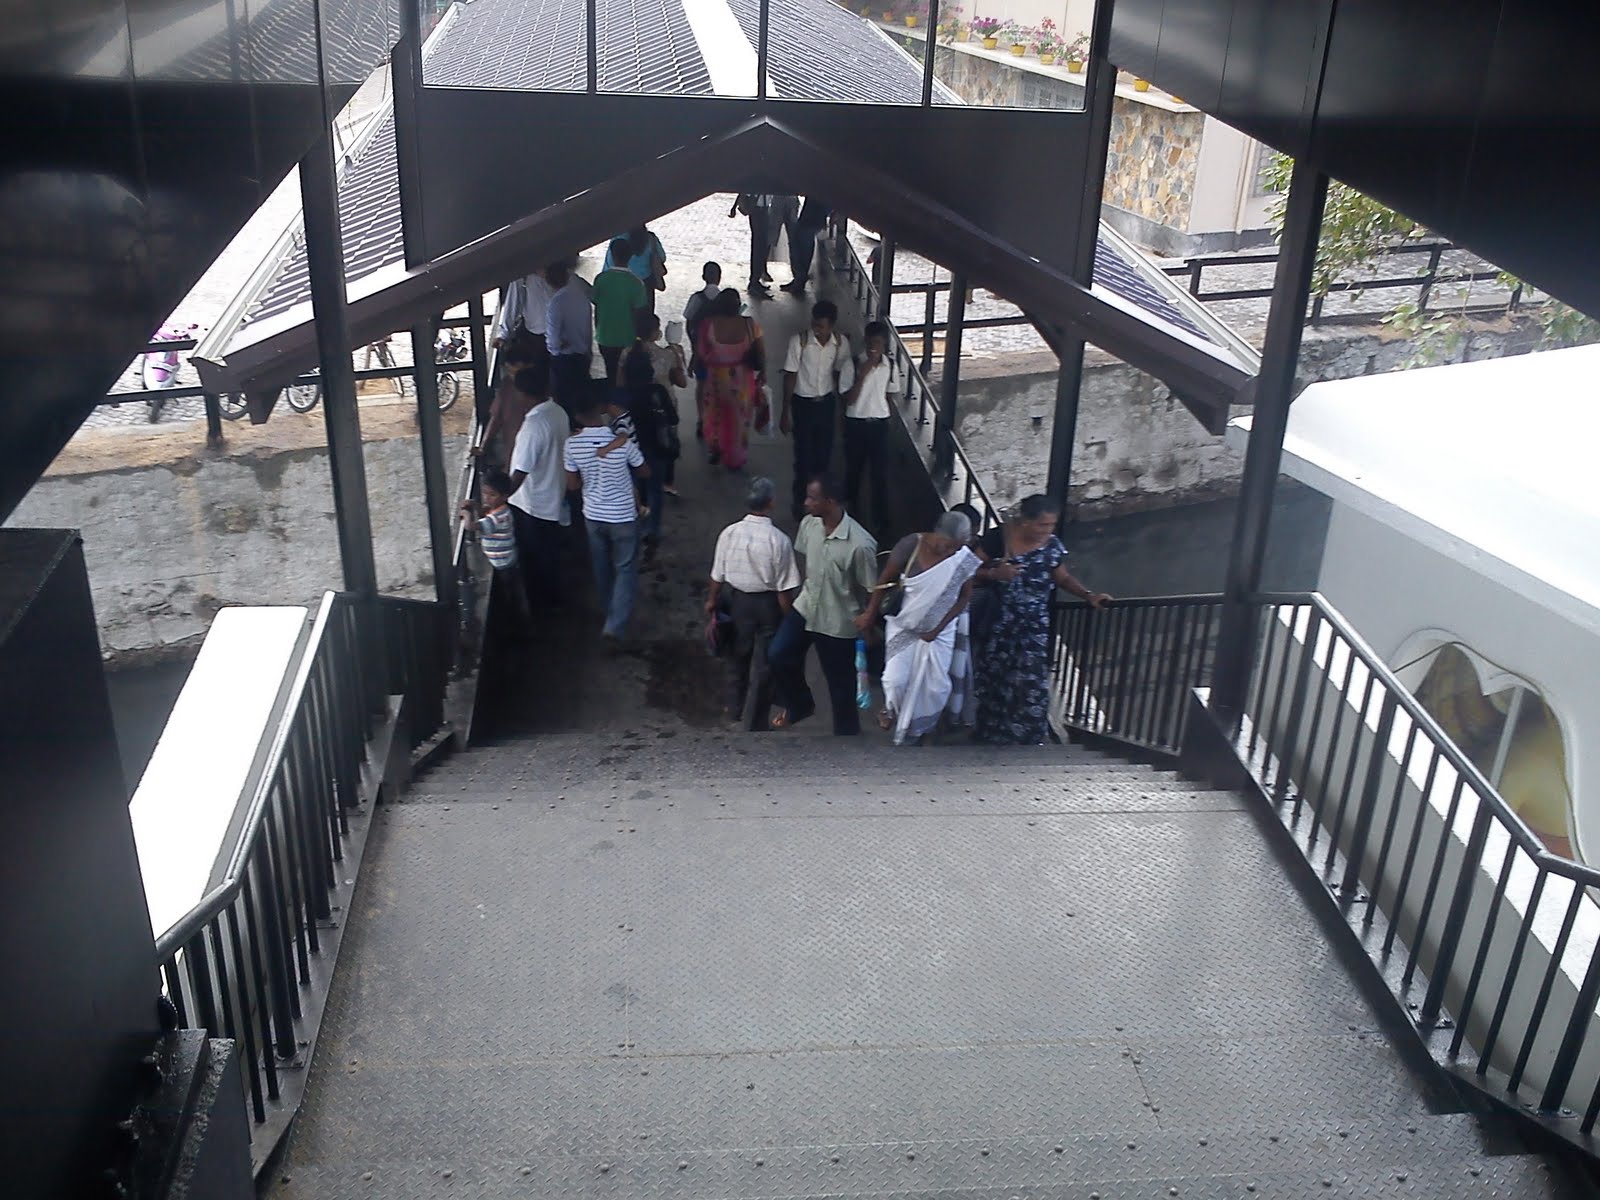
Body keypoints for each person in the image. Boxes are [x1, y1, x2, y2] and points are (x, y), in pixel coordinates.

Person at [972, 493, 1111, 744]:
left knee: (1032, 683)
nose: (1046, 530)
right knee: (995, 680)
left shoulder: (1051, 545)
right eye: (1042, 525)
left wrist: (1088, 595)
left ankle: (1028, 737)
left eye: (1051, 525)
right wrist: (995, 573)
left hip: (1034, 627)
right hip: (998, 625)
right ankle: (992, 735)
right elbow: (966, 571)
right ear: (1025, 521)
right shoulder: (997, 538)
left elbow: (1062, 578)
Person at [857, 511, 981, 745]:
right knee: (895, 680)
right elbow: (883, 581)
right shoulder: (910, 545)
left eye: (956, 548)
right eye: (948, 545)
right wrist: (869, 614)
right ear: (938, 533)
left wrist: (937, 628)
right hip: (905, 626)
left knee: (935, 688)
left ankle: (919, 727)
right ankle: (891, 709)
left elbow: (964, 598)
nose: (950, 552)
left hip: (939, 633)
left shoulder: (962, 558)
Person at [768, 474, 878, 735]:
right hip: (807, 606)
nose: (806, 503)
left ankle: (847, 736)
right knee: (778, 654)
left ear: (830, 501)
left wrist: (869, 618)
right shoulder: (809, 525)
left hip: (838, 621)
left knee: (841, 687)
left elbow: (873, 589)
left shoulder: (860, 545)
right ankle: (800, 704)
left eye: (812, 499)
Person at [707, 477, 801, 729]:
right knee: (765, 664)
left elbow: (717, 575)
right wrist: (789, 620)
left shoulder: (730, 533)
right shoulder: (778, 540)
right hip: (768, 606)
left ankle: (733, 711)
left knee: (737, 657)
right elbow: (784, 589)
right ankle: (756, 720)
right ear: (771, 503)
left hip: (738, 603)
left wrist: (712, 600)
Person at [565, 390, 649, 640]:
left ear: (577, 415)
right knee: (624, 568)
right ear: (600, 409)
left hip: (593, 515)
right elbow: (645, 471)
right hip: (623, 515)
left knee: (601, 566)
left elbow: (572, 486)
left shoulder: (571, 444)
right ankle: (614, 625)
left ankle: (608, 611)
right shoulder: (622, 441)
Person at [781, 300, 853, 518]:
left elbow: (840, 377)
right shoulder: (799, 342)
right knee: (802, 459)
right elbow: (790, 376)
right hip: (802, 404)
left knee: (823, 459)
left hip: (826, 404)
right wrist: (785, 411)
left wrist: (841, 411)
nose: (817, 329)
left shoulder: (840, 344)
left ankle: (819, 504)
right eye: (815, 324)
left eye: (821, 326)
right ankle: (799, 504)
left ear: (831, 326)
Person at [505, 366, 571, 606]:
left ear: (522, 394)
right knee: (550, 557)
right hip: (553, 496)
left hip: (531, 505)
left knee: (534, 563)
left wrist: (500, 497)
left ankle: (543, 609)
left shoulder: (533, 426)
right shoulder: (558, 412)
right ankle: (554, 601)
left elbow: (520, 472)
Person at [617, 351, 679, 552]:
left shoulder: (622, 396)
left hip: (630, 452)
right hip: (657, 449)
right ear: (650, 372)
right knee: (655, 491)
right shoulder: (658, 391)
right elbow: (673, 418)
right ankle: (653, 529)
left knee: (634, 489)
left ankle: (636, 526)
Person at [697, 288, 764, 471]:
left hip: (716, 380)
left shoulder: (707, 324)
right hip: (743, 380)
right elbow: (760, 350)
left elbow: (702, 353)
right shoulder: (750, 324)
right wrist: (763, 373)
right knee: (739, 419)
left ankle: (716, 447)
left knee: (715, 416)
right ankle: (736, 458)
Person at [842, 319, 897, 532]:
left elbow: (890, 393)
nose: (874, 347)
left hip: (879, 424)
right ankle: (852, 514)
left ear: (884, 344)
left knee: (880, 474)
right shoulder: (853, 364)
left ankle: (881, 520)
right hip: (856, 423)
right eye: (870, 342)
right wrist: (863, 375)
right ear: (864, 341)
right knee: (854, 471)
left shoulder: (889, 365)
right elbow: (849, 399)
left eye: (878, 343)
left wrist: (884, 413)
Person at [460, 469, 531, 623]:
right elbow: (484, 517)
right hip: (507, 559)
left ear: (505, 496)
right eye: (485, 493)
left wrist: (465, 514)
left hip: (503, 563)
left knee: (509, 592)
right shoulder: (501, 510)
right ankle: (517, 615)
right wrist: (474, 505)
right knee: (512, 589)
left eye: (492, 495)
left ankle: (514, 618)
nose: (487, 498)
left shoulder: (498, 517)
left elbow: (471, 526)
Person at [475, 331, 543, 467]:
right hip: (513, 454)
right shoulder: (506, 385)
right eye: (510, 372)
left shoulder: (543, 389)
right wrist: (483, 446)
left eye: (516, 372)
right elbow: (496, 418)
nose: (514, 377)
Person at [594, 239, 648, 383]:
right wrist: (638, 340)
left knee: (610, 374)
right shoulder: (636, 283)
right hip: (627, 340)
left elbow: (597, 308)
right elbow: (639, 316)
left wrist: (598, 331)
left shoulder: (601, 279)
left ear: (611, 254)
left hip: (605, 337)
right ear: (630, 256)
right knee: (627, 377)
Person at [545, 262, 594, 413]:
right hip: (583, 354)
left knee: (564, 402)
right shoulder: (581, 295)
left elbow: (553, 337)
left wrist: (554, 350)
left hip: (564, 360)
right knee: (582, 399)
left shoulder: (556, 303)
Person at [684, 262, 723, 444]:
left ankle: (702, 419)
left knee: (701, 386)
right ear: (719, 277)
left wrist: (693, 346)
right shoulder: (726, 299)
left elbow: (688, 321)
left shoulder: (697, 298)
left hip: (700, 352)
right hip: (721, 354)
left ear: (703, 277)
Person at [494, 267, 558, 364]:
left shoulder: (559, 275)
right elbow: (512, 304)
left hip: (560, 335)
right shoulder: (523, 276)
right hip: (535, 337)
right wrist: (503, 334)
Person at [605, 224, 667, 310]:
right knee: (645, 316)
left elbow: (610, 262)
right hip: (645, 284)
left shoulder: (618, 237)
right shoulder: (650, 238)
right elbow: (662, 257)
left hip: (621, 284)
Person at [783, 197, 831, 295]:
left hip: (812, 221)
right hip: (809, 219)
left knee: (803, 252)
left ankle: (799, 282)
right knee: (800, 250)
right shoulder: (822, 187)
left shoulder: (823, 189)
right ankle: (798, 280)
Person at [731, 194, 774, 297]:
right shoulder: (759, 181)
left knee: (760, 246)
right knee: (759, 247)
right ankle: (754, 282)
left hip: (762, 210)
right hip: (758, 211)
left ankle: (755, 280)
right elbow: (745, 191)